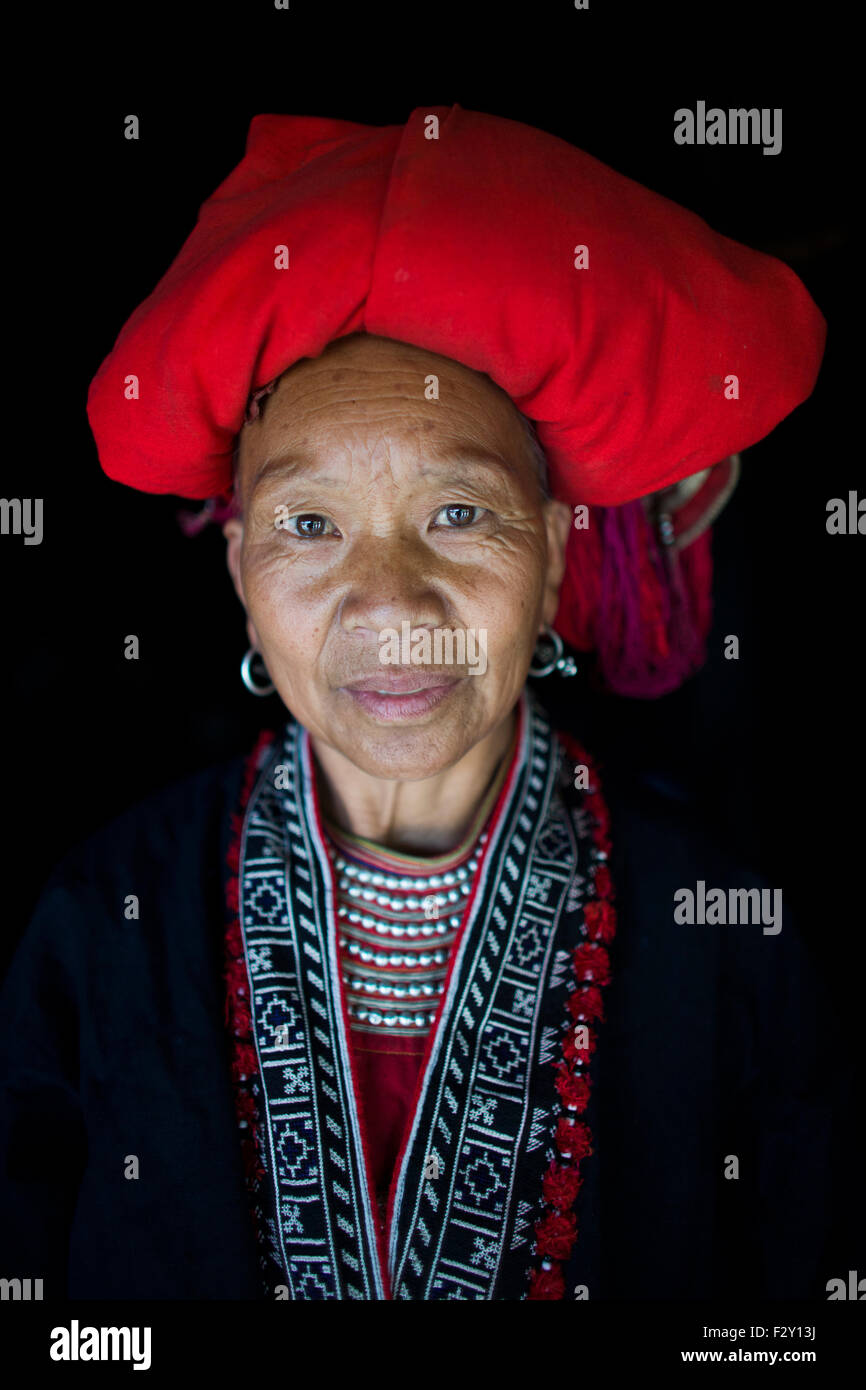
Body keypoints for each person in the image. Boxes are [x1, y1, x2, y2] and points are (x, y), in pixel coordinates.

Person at [0, 105, 840, 1301]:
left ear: (552, 557)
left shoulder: (730, 947)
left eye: (458, 513)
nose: (388, 602)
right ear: (238, 571)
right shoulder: (96, 923)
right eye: (307, 525)